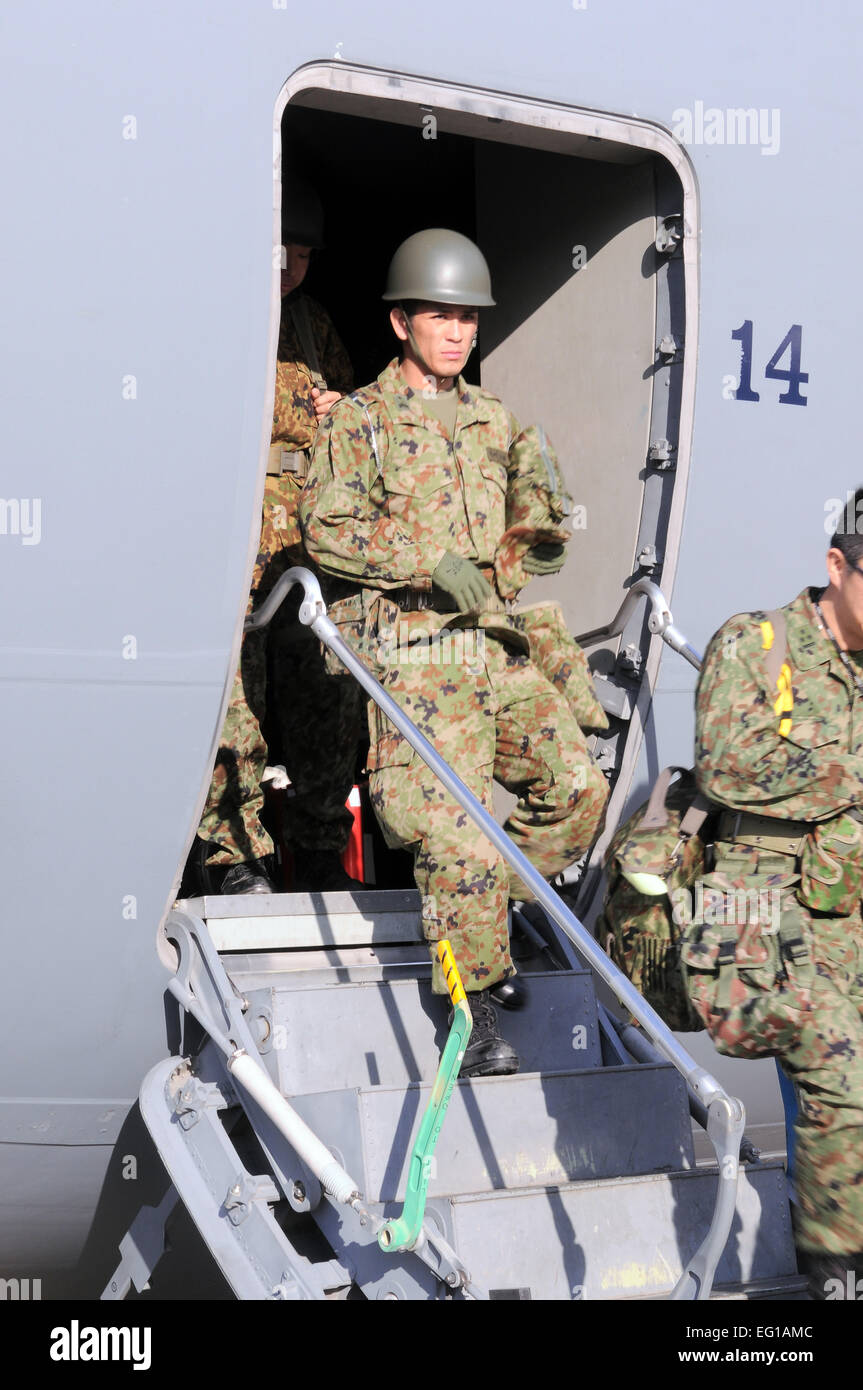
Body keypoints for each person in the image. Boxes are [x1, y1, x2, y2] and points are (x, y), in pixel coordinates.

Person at [299, 228, 608, 1076]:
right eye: (440, 314)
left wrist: (531, 546)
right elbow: (324, 528)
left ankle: (480, 925)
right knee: (454, 831)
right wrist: (422, 562)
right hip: (412, 652)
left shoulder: (493, 420)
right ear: (400, 322)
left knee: (578, 791)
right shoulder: (360, 421)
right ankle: (468, 1014)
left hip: (492, 650)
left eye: (468, 317)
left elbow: (524, 520)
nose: (457, 330)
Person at [686, 489, 863, 1296]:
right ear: (836, 566)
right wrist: (846, 778)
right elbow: (725, 761)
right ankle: (836, 1273)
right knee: (835, 1063)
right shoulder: (757, 644)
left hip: (843, 913)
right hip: (755, 910)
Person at [191, 180, 365, 895]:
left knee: (326, 693)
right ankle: (233, 855)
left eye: (301, 252)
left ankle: (321, 852)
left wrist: (344, 408)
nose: (290, 263)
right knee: (236, 697)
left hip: (306, 538)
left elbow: (362, 422)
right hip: (235, 534)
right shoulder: (213, 316)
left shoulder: (310, 325)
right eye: (279, 248)